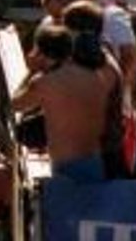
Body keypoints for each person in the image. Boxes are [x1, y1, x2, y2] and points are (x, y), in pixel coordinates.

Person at [12, 24, 109, 183]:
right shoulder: (95, 77)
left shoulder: (45, 82)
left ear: (41, 52)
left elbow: (16, 103)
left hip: (66, 166)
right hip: (96, 162)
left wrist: (31, 71)